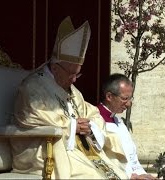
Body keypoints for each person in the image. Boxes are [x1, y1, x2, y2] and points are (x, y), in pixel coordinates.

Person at [10, 16, 128, 179]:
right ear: (55, 67)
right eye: (71, 73)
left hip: (74, 150)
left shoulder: (72, 90)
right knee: (91, 176)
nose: (74, 79)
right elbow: (32, 117)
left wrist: (90, 126)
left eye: (77, 74)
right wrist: (73, 126)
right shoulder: (32, 88)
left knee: (117, 174)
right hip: (42, 150)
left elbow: (92, 113)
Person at [97, 73, 157, 180]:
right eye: (125, 98)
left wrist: (144, 175)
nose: (129, 104)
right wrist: (129, 177)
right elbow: (100, 160)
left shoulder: (119, 123)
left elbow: (132, 158)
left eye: (130, 98)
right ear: (109, 96)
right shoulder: (95, 120)